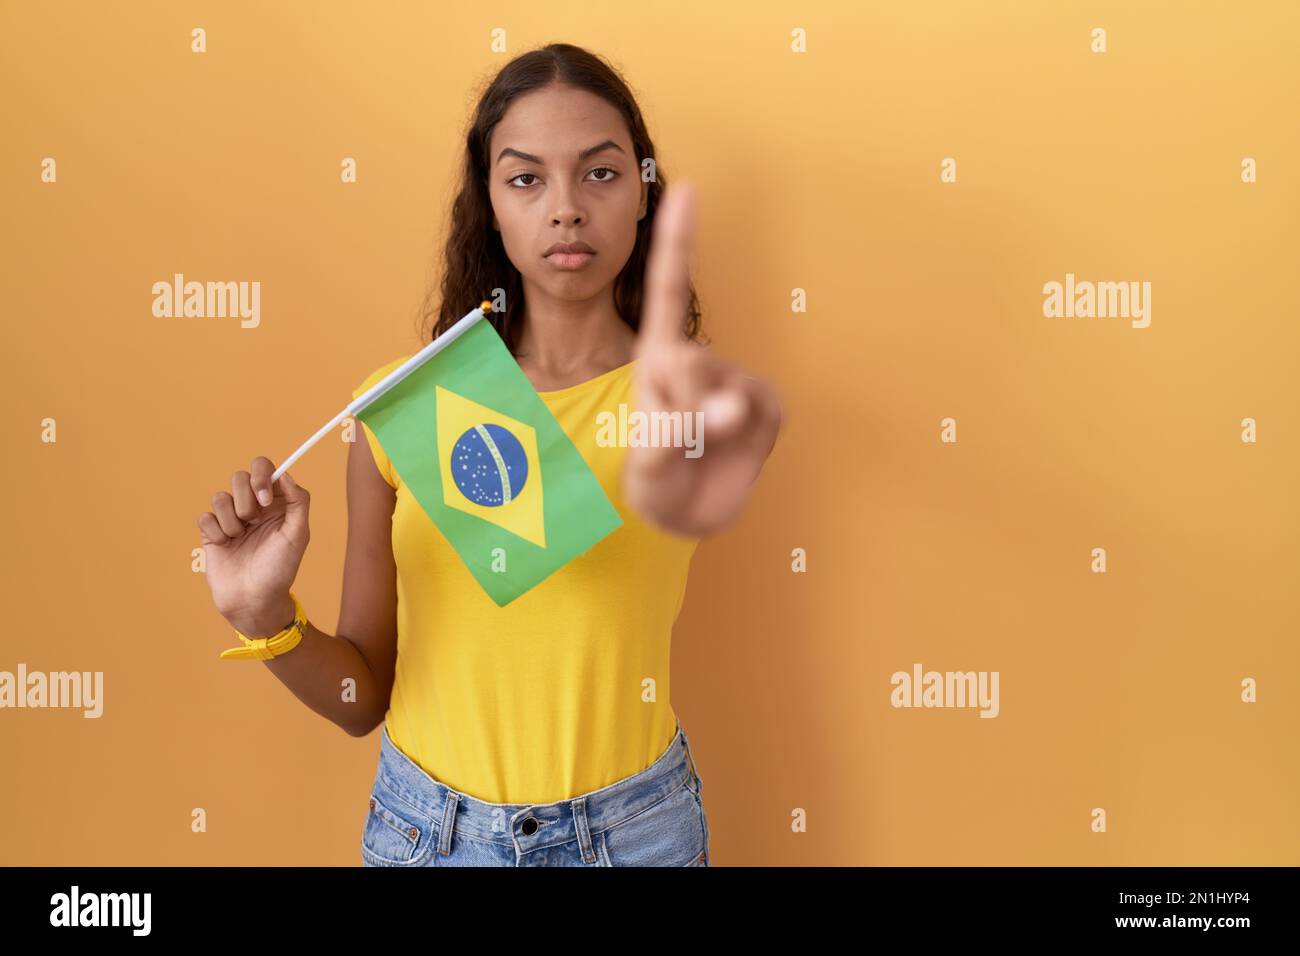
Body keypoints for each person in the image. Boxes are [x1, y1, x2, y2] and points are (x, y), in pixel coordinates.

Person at [197, 42, 782, 866]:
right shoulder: (407, 410)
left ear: (645, 194)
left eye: (601, 173)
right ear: (491, 206)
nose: (566, 208)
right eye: (526, 178)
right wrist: (265, 617)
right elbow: (361, 696)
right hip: (426, 834)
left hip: (632, 835)